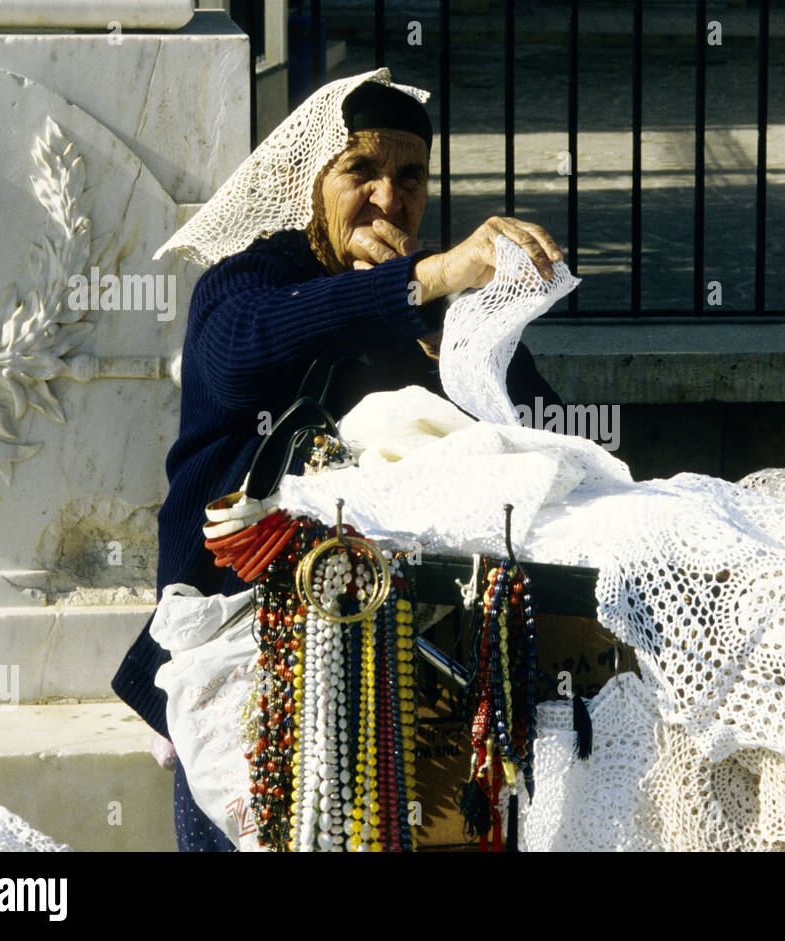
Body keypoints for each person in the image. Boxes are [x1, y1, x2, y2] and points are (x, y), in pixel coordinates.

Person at [112, 73, 566, 851]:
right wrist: (425, 279)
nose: (390, 199)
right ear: (312, 181)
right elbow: (242, 351)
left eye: (412, 176)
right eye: (362, 171)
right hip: (242, 666)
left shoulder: (434, 311)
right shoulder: (249, 280)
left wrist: (450, 340)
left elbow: (544, 433)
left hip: (398, 675)